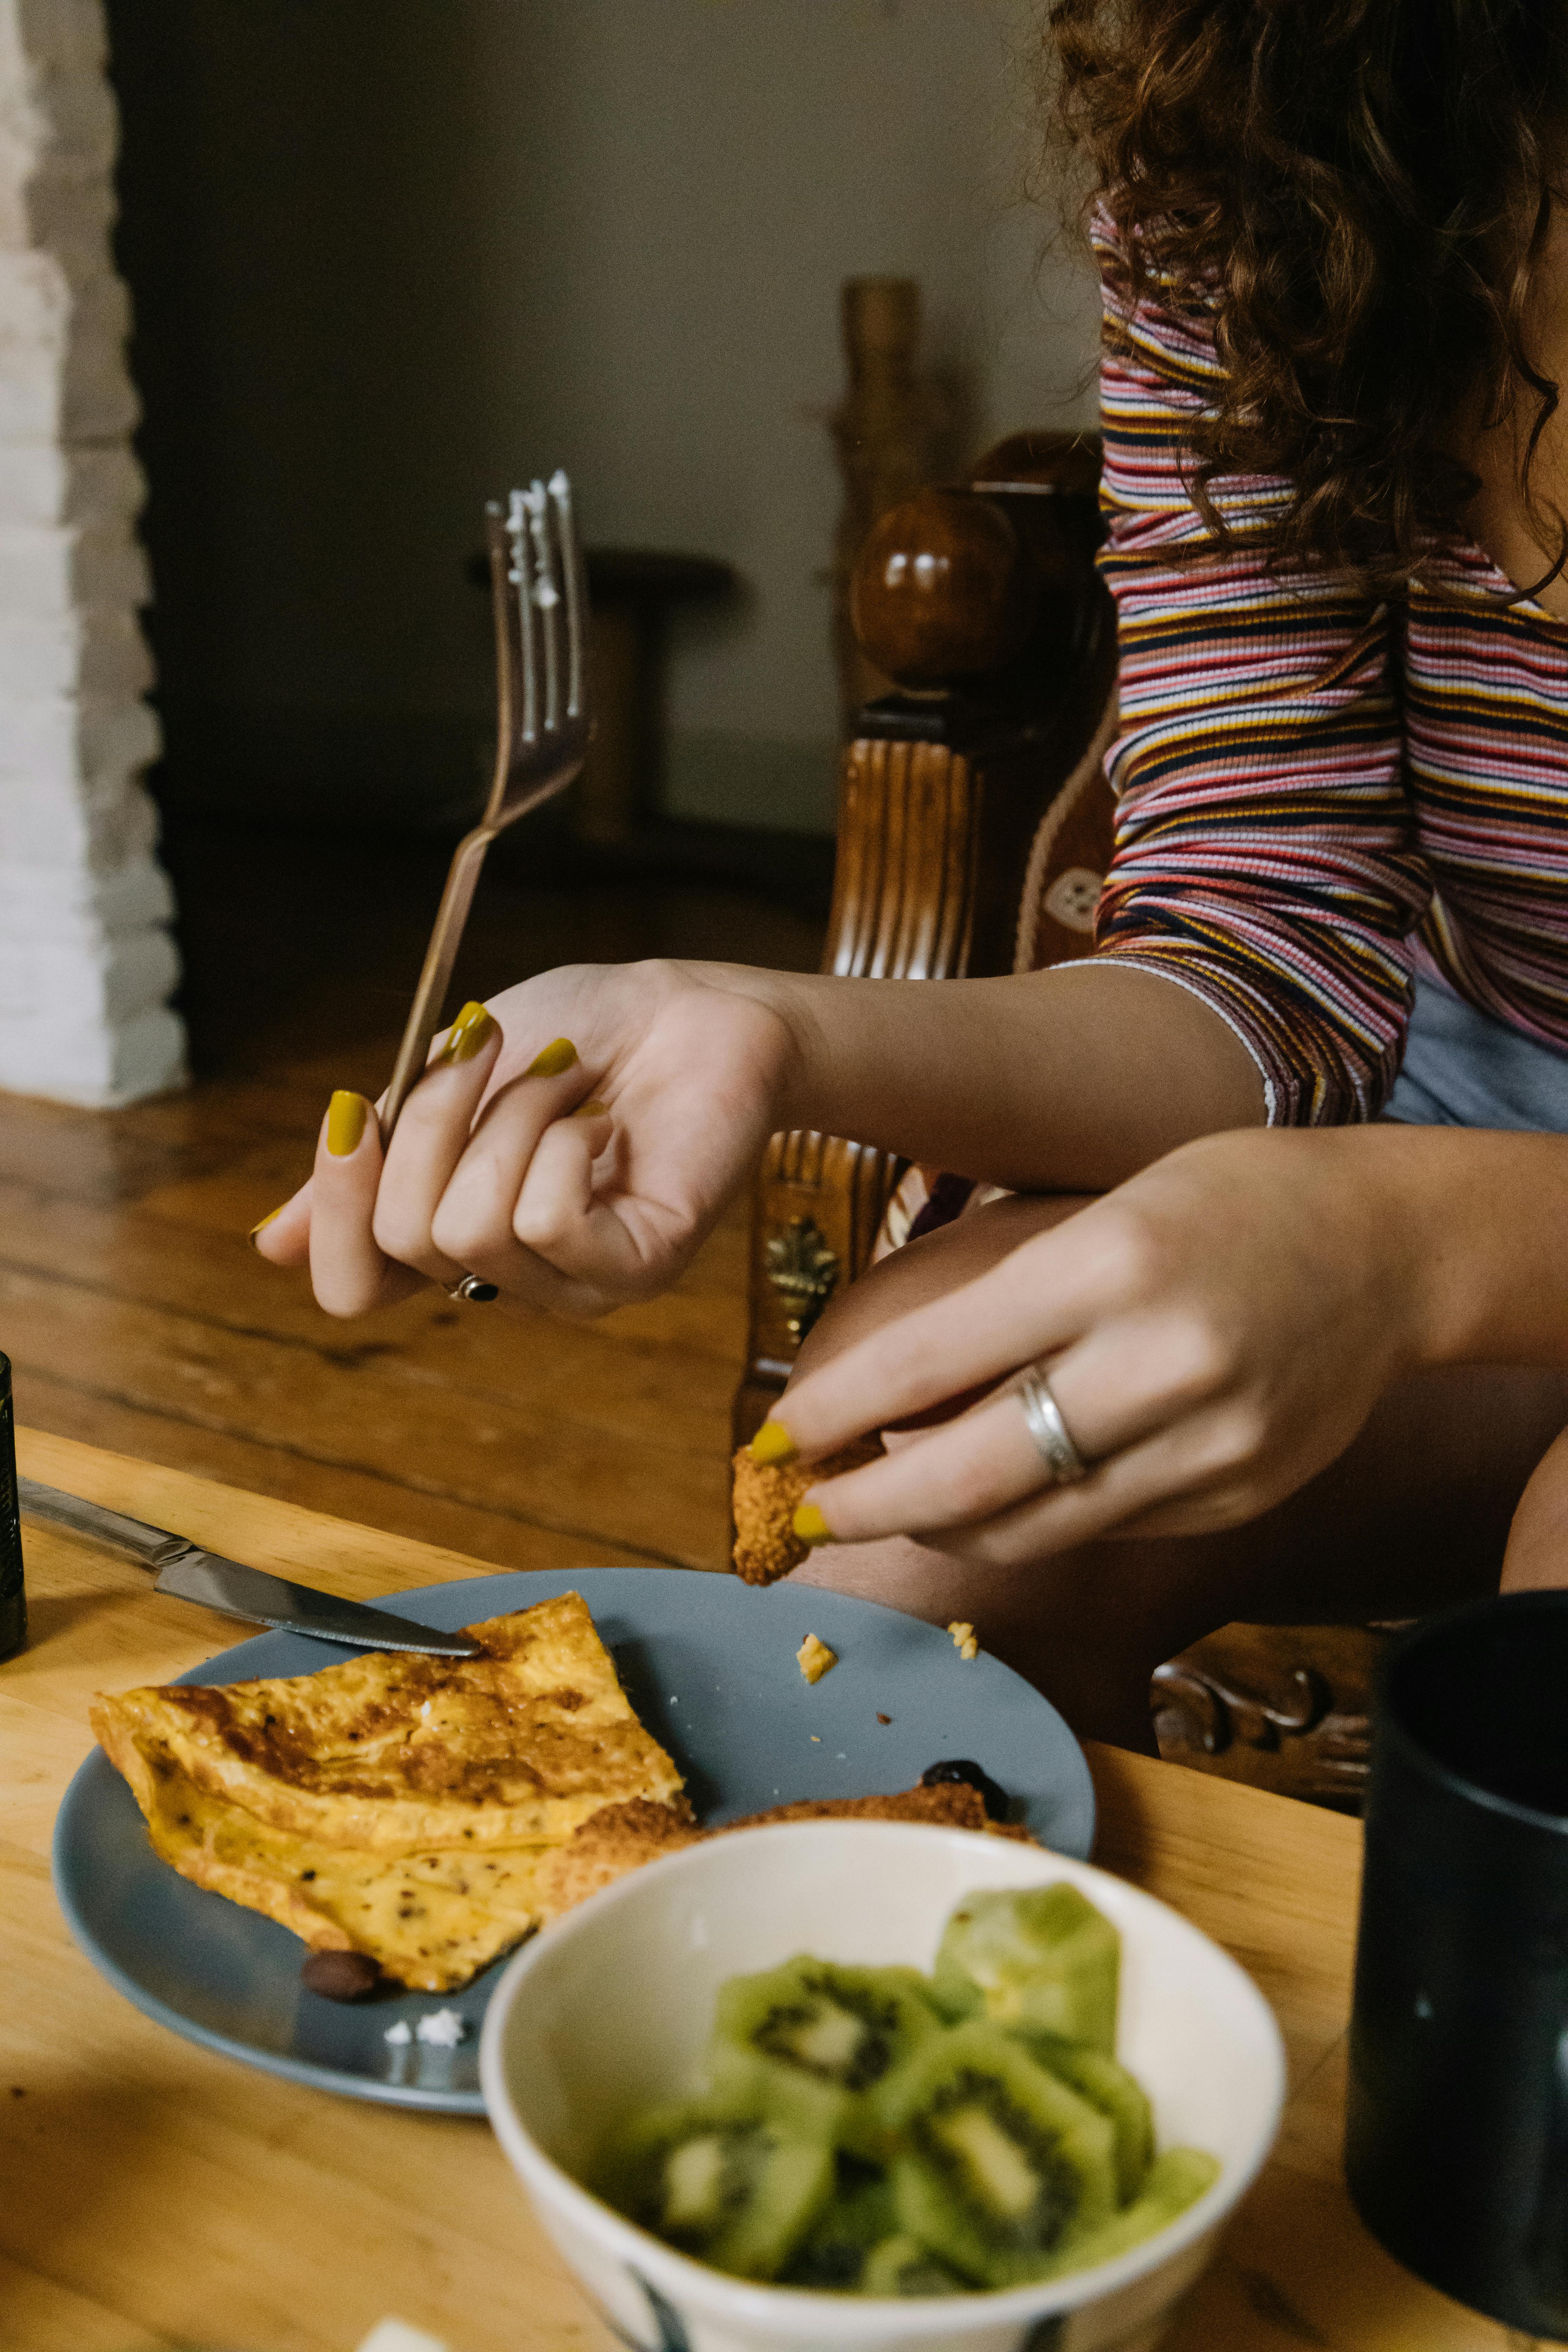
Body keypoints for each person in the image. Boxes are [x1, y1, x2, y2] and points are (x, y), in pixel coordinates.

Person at [254, 0, 1568, 1746]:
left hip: (1458, 1214)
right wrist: (764, 1028)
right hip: (1473, 1092)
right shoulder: (1280, 123)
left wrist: (1407, 1249)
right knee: (898, 1485)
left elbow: (1387, 1221)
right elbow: (1273, 938)